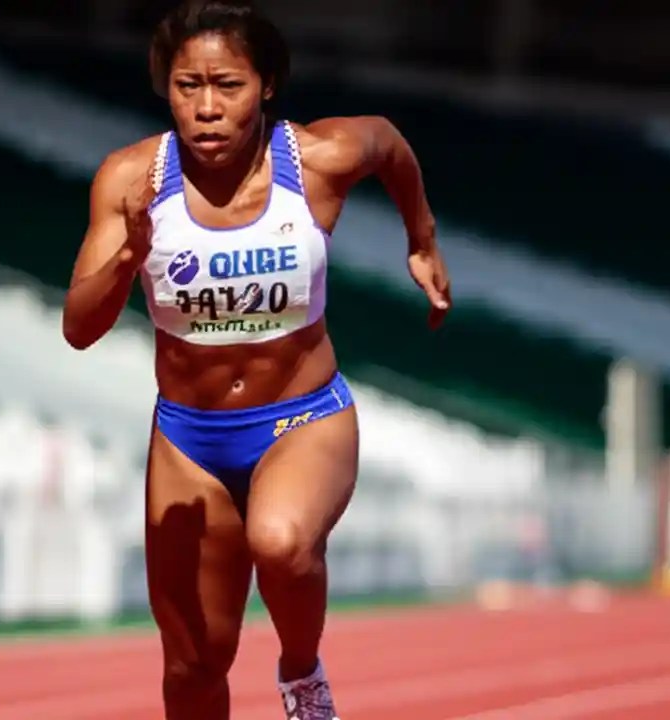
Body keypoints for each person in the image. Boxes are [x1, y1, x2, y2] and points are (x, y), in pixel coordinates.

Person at [62, 1, 451, 718]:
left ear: (266, 85)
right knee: (193, 665)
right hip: (189, 441)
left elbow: (389, 143)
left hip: (302, 418)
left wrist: (421, 239)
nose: (207, 108)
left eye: (228, 86)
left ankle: (301, 673)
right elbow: (79, 329)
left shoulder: (319, 159)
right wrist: (127, 257)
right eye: (188, 86)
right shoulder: (130, 181)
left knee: (281, 542)